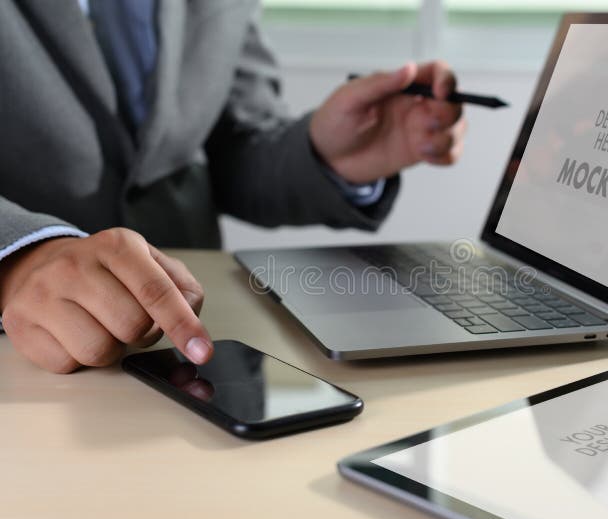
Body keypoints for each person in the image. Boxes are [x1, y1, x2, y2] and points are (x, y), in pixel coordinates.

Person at [0, 0, 466, 373]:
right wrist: (20, 256)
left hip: (201, 359)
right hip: (24, 375)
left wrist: (325, 156)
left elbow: (228, 143)